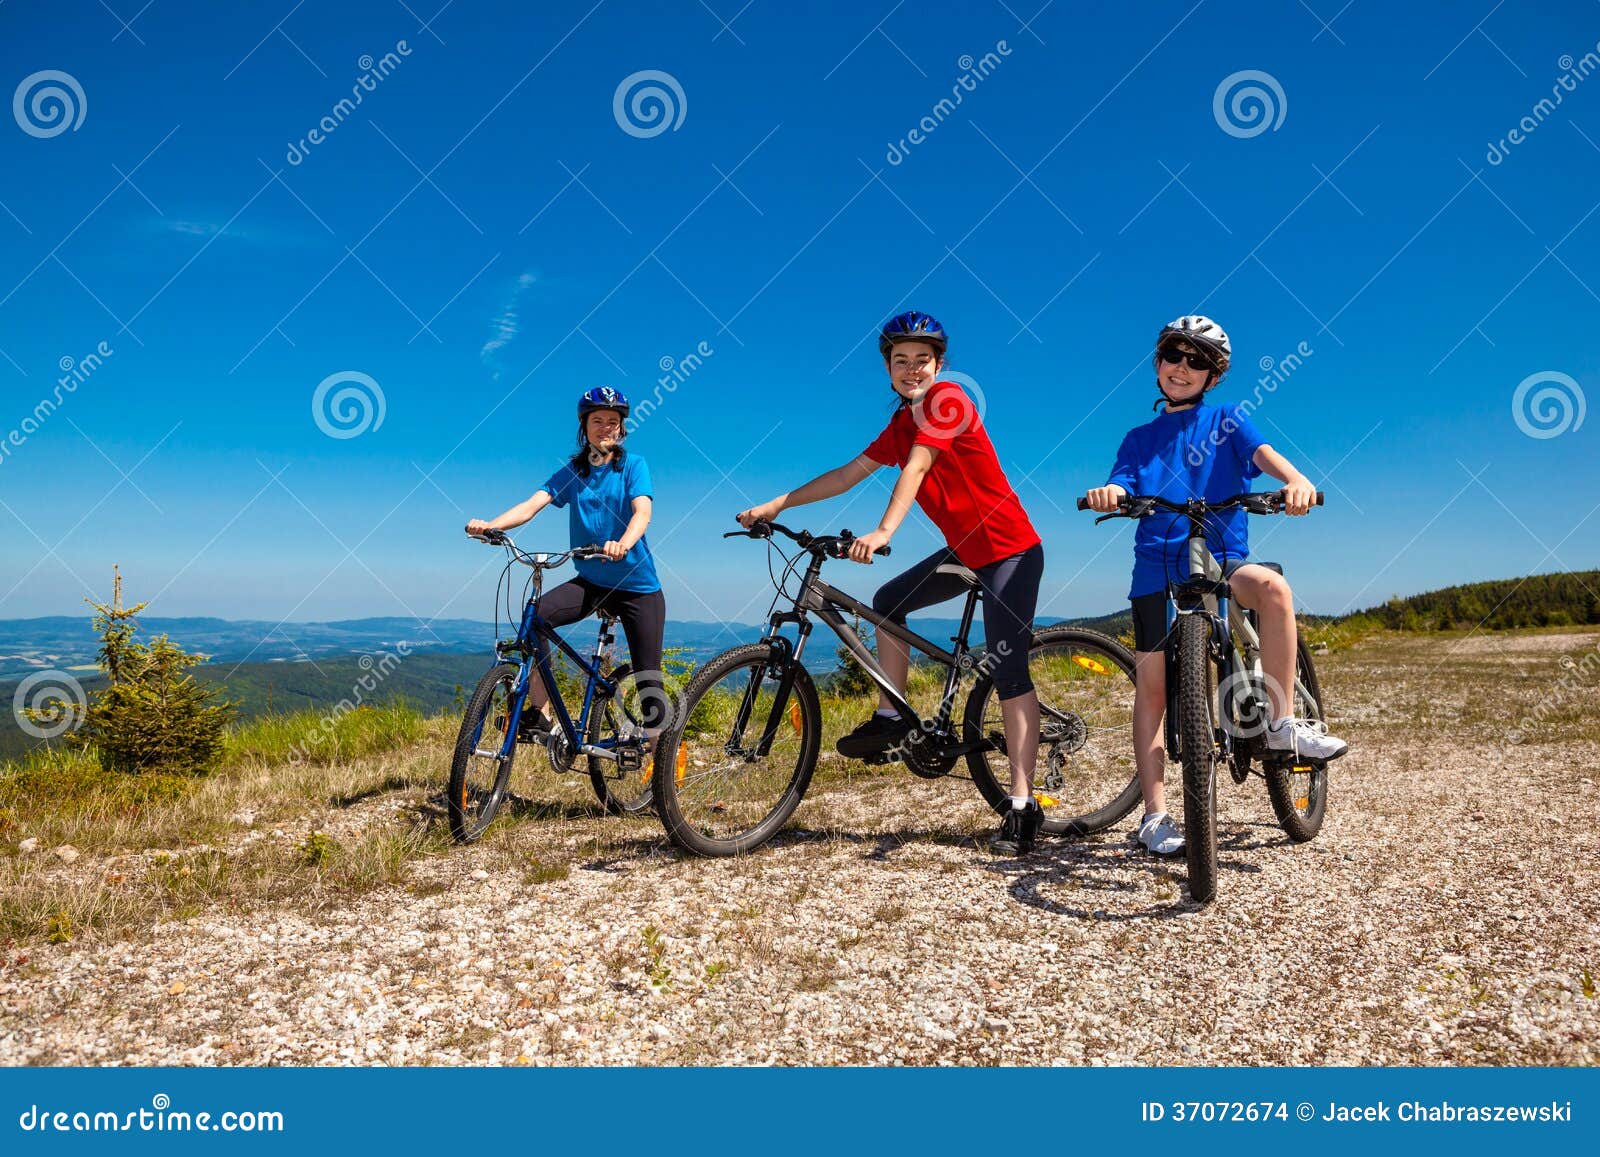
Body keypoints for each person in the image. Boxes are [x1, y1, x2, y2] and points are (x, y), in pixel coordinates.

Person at [736, 311, 1048, 855]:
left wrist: (883, 531)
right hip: (966, 553)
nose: (911, 369)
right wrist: (776, 504)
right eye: (900, 361)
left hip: (1010, 551)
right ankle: (891, 717)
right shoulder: (902, 424)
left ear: (939, 364)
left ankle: (1023, 806)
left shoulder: (949, 401)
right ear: (887, 368)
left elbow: (918, 467)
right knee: (887, 602)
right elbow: (847, 474)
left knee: (1008, 672)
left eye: (921, 360)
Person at [1083, 315, 1348, 857]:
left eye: (1196, 361)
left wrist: (1295, 481)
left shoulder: (1229, 420)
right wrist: (1110, 493)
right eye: (1173, 356)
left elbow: (1265, 456)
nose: (1182, 367)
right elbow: (1121, 482)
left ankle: (1282, 724)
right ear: (1158, 363)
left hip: (1223, 559)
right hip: (1157, 567)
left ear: (1213, 375)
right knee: (1152, 690)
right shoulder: (1138, 439)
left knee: (1273, 589)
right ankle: (1155, 816)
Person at [465, 386, 667, 751]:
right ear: (584, 427)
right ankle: (541, 712)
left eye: (613, 421)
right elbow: (531, 505)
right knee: (537, 618)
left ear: (621, 428)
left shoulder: (633, 466)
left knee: (648, 678)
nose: (605, 427)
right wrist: (490, 526)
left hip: (637, 588)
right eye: (597, 420)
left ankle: (661, 757)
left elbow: (643, 512)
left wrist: (623, 542)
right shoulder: (574, 472)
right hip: (592, 581)